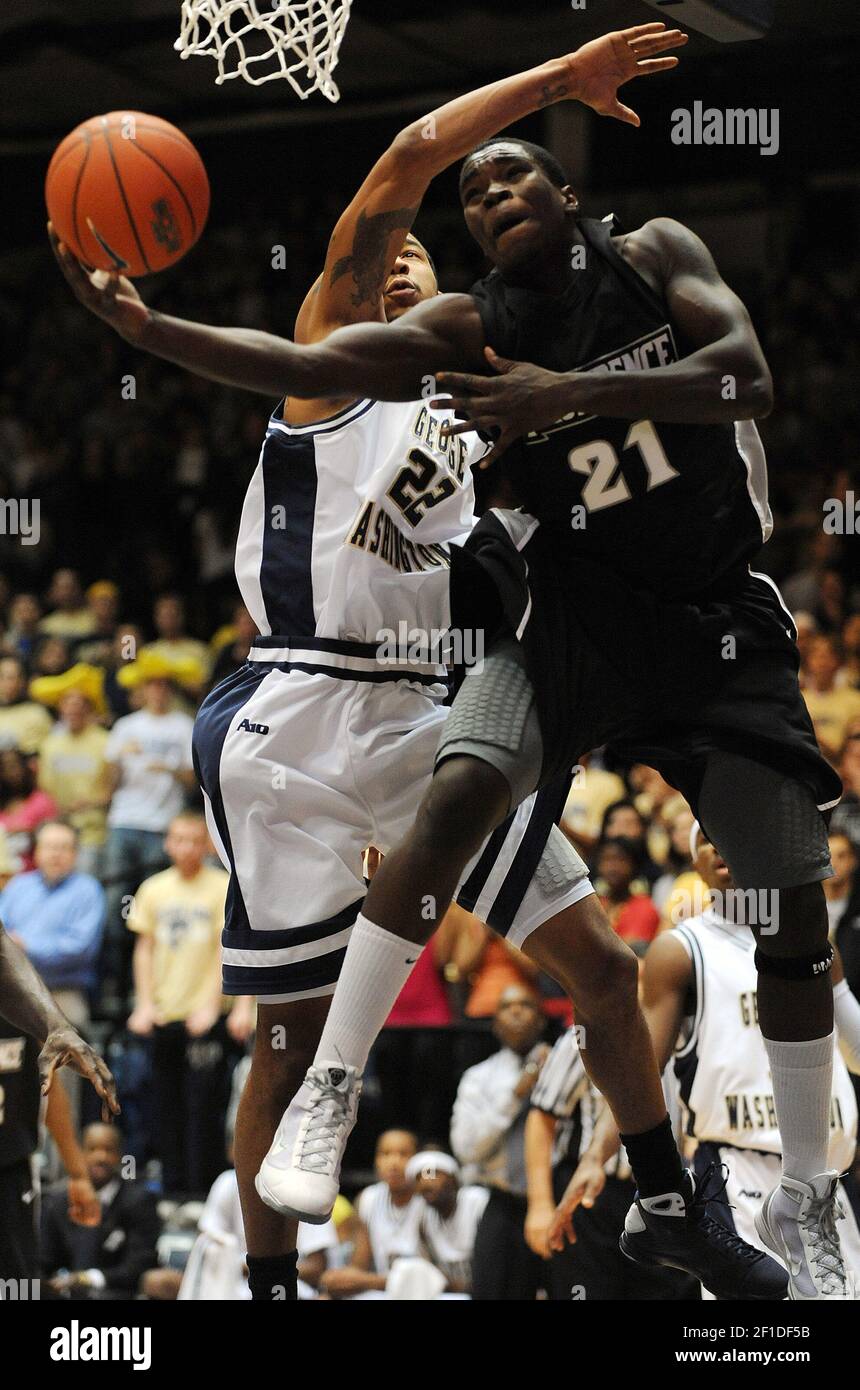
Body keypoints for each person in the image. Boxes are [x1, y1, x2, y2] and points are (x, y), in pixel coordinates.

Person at [50, 23, 789, 1300]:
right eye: (388, 251)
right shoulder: (339, 364)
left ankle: (670, 1202)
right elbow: (405, 152)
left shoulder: (483, 412)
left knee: (603, 973)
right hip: (292, 711)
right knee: (284, 1039)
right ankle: (272, 1283)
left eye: (419, 260)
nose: (396, 263)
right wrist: (556, 82)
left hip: (425, 716)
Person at [551, 826, 860, 1300]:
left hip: (826, 1179)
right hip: (738, 1170)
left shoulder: (815, 941)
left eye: (730, 833)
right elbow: (643, 1064)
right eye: (707, 839)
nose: (721, 845)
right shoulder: (681, 950)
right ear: (694, 863)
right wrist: (598, 1155)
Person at [524, 1022, 692, 1300]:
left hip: (661, 1193)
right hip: (591, 1197)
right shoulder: (585, 1033)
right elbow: (542, 1118)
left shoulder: (685, 1029)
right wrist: (540, 1205)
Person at [126, 812, 239, 1198]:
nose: (187, 847)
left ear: (207, 845)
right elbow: (144, 949)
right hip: (164, 1014)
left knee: (204, 1108)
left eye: (195, 839)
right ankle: (172, 1192)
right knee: (163, 1105)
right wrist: (143, 1004)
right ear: (167, 843)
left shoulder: (222, 886)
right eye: (179, 839)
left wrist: (214, 1006)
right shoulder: (153, 889)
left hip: (206, 1018)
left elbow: (228, 950)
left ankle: (202, 1192)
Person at [101, 651, 198, 1006]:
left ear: (169, 689)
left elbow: (192, 782)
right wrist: (117, 759)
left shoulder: (184, 726)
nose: (157, 691)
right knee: (116, 909)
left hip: (162, 828)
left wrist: (168, 768)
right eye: (151, 686)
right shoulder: (126, 726)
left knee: (158, 912)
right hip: (124, 823)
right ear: (142, 690)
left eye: (162, 685)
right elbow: (107, 786)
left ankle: (151, 989)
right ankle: (115, 987)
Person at [450, 983, 551, 1300]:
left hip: (558, 1201)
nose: (517, 1011)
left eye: (526, 1004)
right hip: (504, 1202)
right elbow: (466, 1150)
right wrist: (517, 1093)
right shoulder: (479, 1077)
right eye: (507, 1006)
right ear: (495, 1024)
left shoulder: (568, 1065)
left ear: (541, 1019)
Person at [0, 821, 105, 1049]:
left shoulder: (88, 890)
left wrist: (25, 946)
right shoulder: (18, 886)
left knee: (67, 1035)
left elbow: (80, 948)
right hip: (13, 989)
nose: (55, 854)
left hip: (61, 990)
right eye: (49, 846)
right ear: (37, 851)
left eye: (63, 847)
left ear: (75, 854)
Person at [40, 1123, 161, 1299]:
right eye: (93, 1149)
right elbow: (44, 1260)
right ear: (80, 1153)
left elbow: (139, 1264)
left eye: (108, 1149)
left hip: (118, 1292)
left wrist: (87, 1278)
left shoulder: (139, 1201)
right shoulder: (57, 1202)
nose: (100, 1157)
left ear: (119, 1155)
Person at [318, 1130, 422, 1300]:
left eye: (404, 1154)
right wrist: (337, 1284)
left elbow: (435, 1276)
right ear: (376, 1160)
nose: (394, 1163)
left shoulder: (428, 1199)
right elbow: (359, 1264)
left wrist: (368, 1282)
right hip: (382, 1291)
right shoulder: (368, 1199)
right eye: (385, 1154)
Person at [32, 665, 112, 878]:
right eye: (68, 703)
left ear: (89, 708)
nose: (73, 709)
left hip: (92, 832)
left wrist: (91, 802)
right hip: (58, 830)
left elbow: (113, 789)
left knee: (85, 884)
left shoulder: (105, 741)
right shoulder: (50, 744)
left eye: (79, 704)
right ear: (60, 707)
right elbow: (43, 787)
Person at [408, 1148, 489, 1296]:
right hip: (451, 1293)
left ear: (453, 1179)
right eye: (419, 1178)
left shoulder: (477, 1201)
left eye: (433, 1174)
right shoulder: (423, 1215)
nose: (426, 1182)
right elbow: (426, 1268)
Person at [0, 747, 58, 872]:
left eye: (14, 766)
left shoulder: (42, 802)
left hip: (35, 874)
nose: (11, 773)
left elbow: (55, 839)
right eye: (4, 768)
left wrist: (30, 831)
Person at [0, 655, 53, 756]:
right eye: (1, 677)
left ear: (22, 682)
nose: (4, 683)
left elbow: (47, 752)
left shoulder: (37, 713)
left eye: (10, 677)